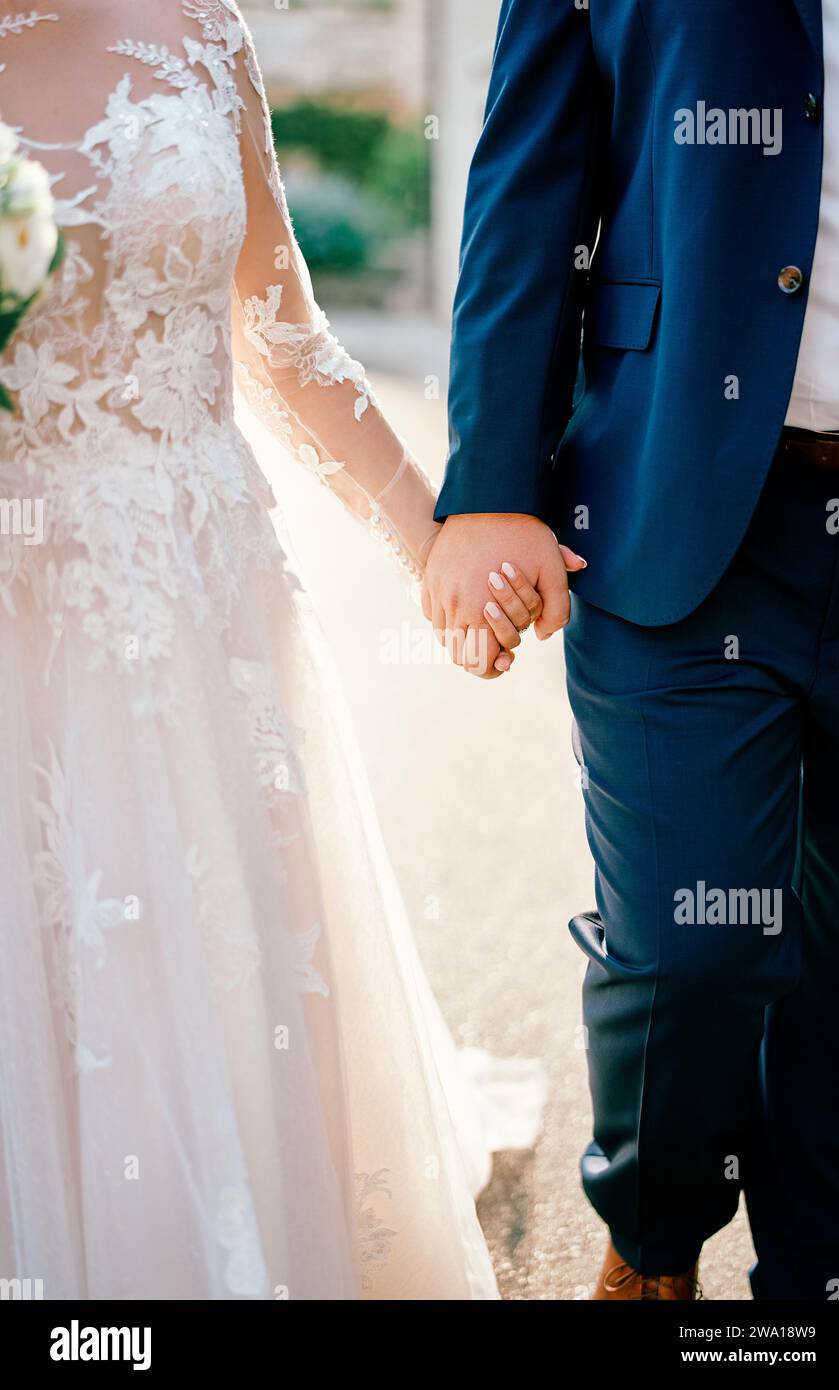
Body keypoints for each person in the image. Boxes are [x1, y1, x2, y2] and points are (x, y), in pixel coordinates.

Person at [0, 0, 555, 1300]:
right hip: (27, 620)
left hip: (208, 613)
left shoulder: (200, 24)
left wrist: (432, 540)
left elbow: (280, 325)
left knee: (225, 997)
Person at [425, 0, 839, 1300]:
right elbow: (530, 176)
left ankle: (817, 1279)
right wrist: (488, 483)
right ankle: (652, 1229)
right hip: (681, 500)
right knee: (690, 940)